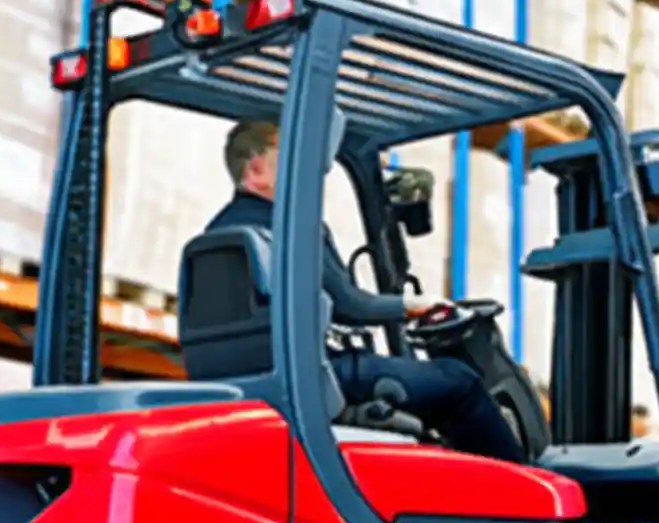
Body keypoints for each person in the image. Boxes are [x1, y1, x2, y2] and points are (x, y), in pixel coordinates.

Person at [204, 121, 527, 464]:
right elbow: (351, 306)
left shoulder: (217, 234)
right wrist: (415, 305)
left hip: (255, 381)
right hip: (312, 377)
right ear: (257, 170)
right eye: (292, 157)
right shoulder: (291, 227)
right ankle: (525, 494)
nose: (310, 173)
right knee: (459, 381)